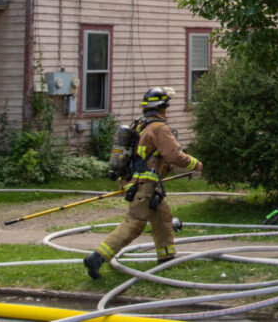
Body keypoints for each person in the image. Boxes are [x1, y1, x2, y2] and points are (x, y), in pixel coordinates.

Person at [83, 86, 202, 279]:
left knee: (163, 218)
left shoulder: (139, 125)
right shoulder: (158, 128)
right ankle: (97, 258)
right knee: (134, 223)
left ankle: (166, 258)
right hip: (144, 186)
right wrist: (196, 164)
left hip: (144, 185)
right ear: (160, 108)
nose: (166, 111)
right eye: (165, 107)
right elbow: (173, 154)